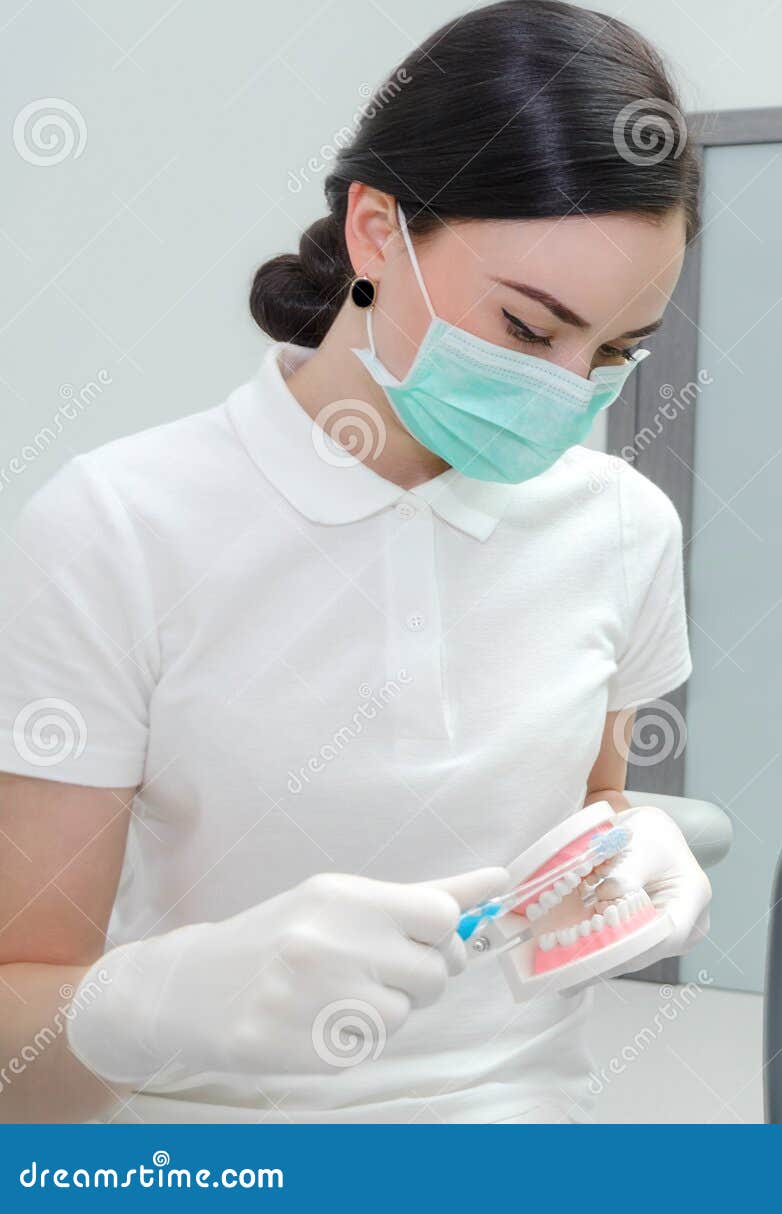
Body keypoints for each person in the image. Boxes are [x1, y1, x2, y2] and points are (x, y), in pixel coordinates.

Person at [0, 0, 710, 1124]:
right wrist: (152, 1004)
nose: (571, 392)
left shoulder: (621, 525)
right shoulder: (119, 523)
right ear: (377, 231)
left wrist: (630, 846)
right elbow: (13, 1038)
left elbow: (591, 802)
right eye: (530, 329)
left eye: (617, 350)